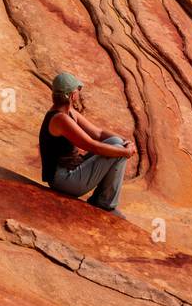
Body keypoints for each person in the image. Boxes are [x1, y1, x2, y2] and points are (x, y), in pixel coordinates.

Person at [38, 72, 136, 214]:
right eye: (78, 90)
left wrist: (125, 141)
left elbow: (98, 133)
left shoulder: (68, 112)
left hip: (70, 170)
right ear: (72, 96)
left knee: (115, 142)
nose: (79, 92)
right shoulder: (60, 119)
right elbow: (91, 145)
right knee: (118, 152)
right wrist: (125, 152)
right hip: (63, 179)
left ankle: (101, 199)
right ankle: (105, 205)